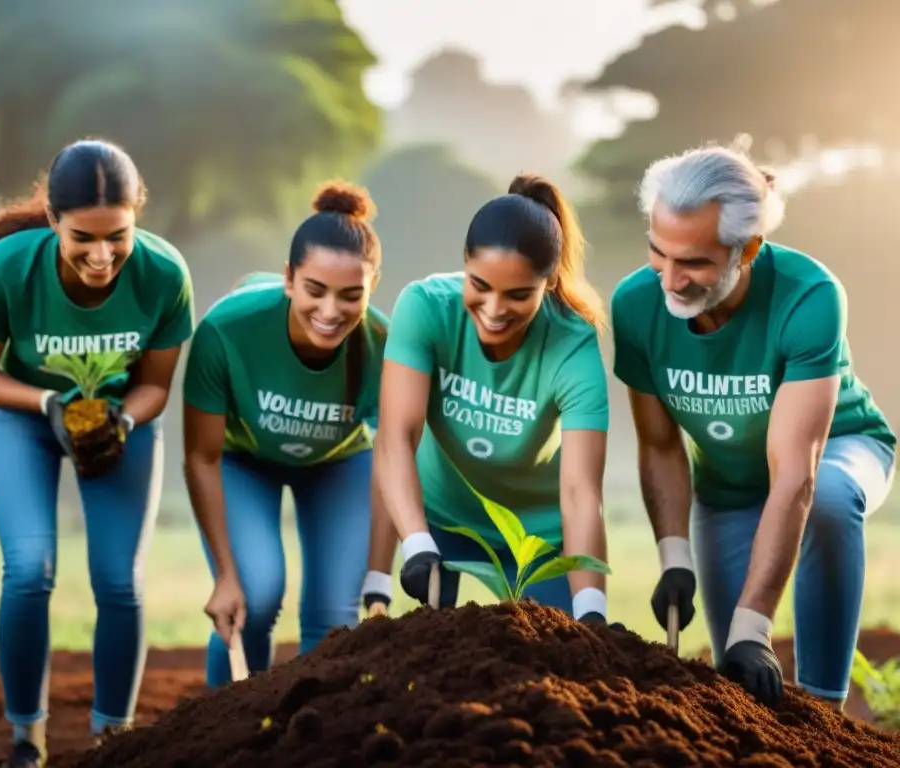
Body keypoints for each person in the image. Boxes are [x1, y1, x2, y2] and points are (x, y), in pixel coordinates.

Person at [611, 143, 896, 709]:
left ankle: (825, 716)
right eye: (658, 253)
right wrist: (674, 558)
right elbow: (661, 444)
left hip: (836, 450)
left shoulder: (808, 295)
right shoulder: (635, 305)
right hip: (729, 485)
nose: (670, 280)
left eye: (694, 262)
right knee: (739, 680)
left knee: (833, 500)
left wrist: (756, 623)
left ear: (749, 250)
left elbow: (797, 476)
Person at [0, 138, 195, 767]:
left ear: (137, 216)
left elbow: (155, 386)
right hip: (23, 416)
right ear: (53, 221)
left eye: (117, 235)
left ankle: (111, 740)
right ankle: (25, 739)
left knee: (119, 581)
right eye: (82, 237)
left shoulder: (165, 274)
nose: (102, 254)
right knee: (30, 570)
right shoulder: (8, 268)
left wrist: (120, 420)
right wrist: (49, 408)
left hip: (120, 419)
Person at [373, 173, 620, 628]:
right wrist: (416, 543)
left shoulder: (574, 346)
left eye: (518, 295)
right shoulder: (425, 307)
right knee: (424, 666)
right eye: (480, 285)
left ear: (548, 283)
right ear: (464, 263)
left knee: (556, 661)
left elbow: (580, 491)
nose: (493, 309)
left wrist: (592, 612)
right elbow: (395, 439)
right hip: (443, 516)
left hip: (535, 533)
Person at [182, 180, 397, 689]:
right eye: (314, 290)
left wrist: (379, 576)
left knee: (335, 622)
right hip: (242, 461)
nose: (330, 312)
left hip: (338, 465)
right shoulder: (227, 329)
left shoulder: (384, 342)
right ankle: (223, 738)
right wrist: (224, 575)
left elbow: (394, 456)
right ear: (288, 279)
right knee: (253, 599)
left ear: (372, 286)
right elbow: (201, 456)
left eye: (351, 296)